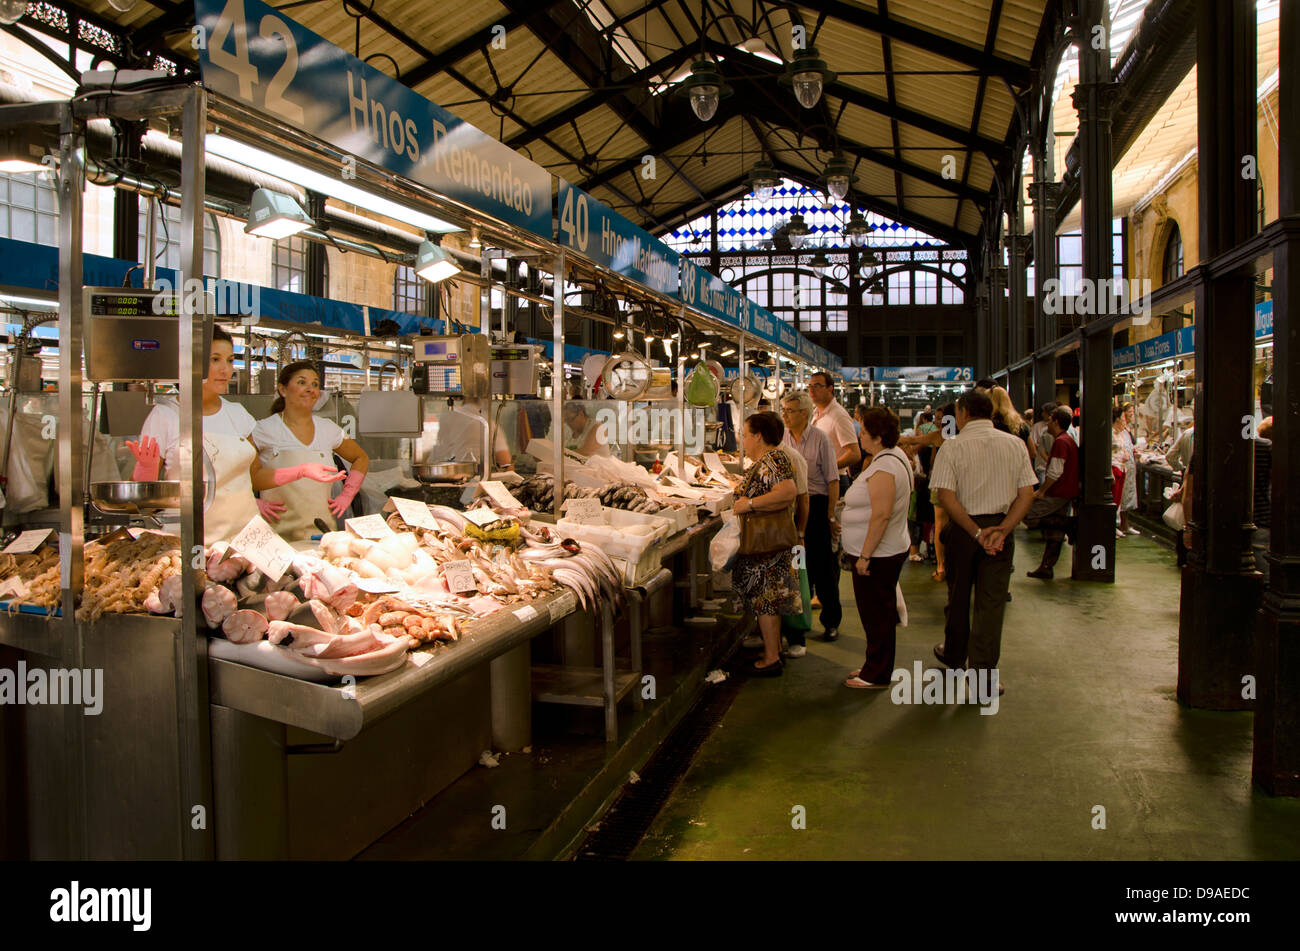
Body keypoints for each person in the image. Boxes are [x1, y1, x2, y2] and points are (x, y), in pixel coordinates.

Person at [126, 327, 344, 546]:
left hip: (246, 542)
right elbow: (145, 500)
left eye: (230, 360)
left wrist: (300, 471)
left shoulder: (238, 414)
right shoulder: (165, 416)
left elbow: (255, 477)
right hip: (193, 543)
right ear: (191, 363)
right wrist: (145, 470)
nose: (225, 369)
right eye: (215, 360)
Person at [929, 388, 1037, 694]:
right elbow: (1026, 493)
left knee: (958, 596)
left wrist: (977, 532)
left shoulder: (953, 447)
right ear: (990, 413)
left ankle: (953, 655)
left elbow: (946, 497)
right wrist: (1002, 529)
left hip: (964, 530)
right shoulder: (1015, 445)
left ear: (962, 413)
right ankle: (981, 676)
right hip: (1001, 532)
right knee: (991, 604)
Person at [251, 361, 370, 541]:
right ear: (282, 390)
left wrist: (347, 495)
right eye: (301, 382)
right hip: (276, 536)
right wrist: (254, 503)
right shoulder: (263, 430)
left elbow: (361, 458)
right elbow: (242, 476)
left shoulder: (329, 429)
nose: (310, 389)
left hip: (321, 532)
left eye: (314, 384)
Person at [841, 406, 913, 688]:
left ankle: (877, 673)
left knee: (876, 615)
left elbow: (882, 514)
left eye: (865, 432)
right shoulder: (892, 457)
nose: (861, 437)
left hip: (877, 554)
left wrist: (865, 556)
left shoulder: (885, 466)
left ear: (878, 436)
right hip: (884, 550)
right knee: (877, 613)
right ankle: (873, 665)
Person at [731, 412, 801, 676]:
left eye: (746, 436)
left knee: (767, 601)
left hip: (767, 546)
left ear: (759, 436)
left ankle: (771, 659)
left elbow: (787, 492)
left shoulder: (774, 459)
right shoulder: (770, 459)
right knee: (767, 600)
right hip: (767, 546)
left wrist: (748, 504)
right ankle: (774, 651)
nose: (744, 441)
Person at [780, 390, 841, 643]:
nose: (784, 414)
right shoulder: (781, 437)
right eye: (783, 410)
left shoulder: (820, 439)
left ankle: (831, 622)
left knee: (822, 566)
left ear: (804, 413)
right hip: (789, 506)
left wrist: (830, 516)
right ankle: (796, 624)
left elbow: (833, 479)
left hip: (815, 505)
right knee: (795, 568)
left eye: (790, 410)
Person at [1024, 406, 1080, 579]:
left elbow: (1055, 471)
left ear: (1056, 422)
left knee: (1028, 514)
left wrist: (1041, 491)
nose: (1046, 423)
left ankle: (1069, 524)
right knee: (1055, 535)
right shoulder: (1067, 440)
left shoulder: (1061, 442)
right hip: (1066, 492)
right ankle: (1047, 566)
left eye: (1049, 420)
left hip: (1058, 492)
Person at [809, 372, 862, 496]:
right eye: (810, 386)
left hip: (834, 481)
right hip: (818, 482)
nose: (812, 390)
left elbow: (854, 453)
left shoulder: (839, 416)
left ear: (830, 388)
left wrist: (828, 467)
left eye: (817, 385)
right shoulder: (816, 413)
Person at [432, 398, 512, 469]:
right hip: (474, 476)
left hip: (446, 472)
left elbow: (442, 447)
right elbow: (505, 462)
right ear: (484, 400)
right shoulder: (486, 423)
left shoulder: (446, 417)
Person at [1111, 404, 1137, 537]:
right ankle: (1110, 526)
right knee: (1114, 499)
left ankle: (1115, 525)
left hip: (1122, 467)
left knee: (1118, 500)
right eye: (1122, 417)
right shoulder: (1110, 433)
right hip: (1114, 468)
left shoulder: (1121, 433)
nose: (1124, 420)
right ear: (1117, 419)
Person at [1030, 401, 1056, 484]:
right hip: (1042, 467)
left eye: (1044, 412)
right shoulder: (1037, 427)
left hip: (1051, 467)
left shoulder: (1046, 430)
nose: (1042, 414)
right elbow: (1034, 444)